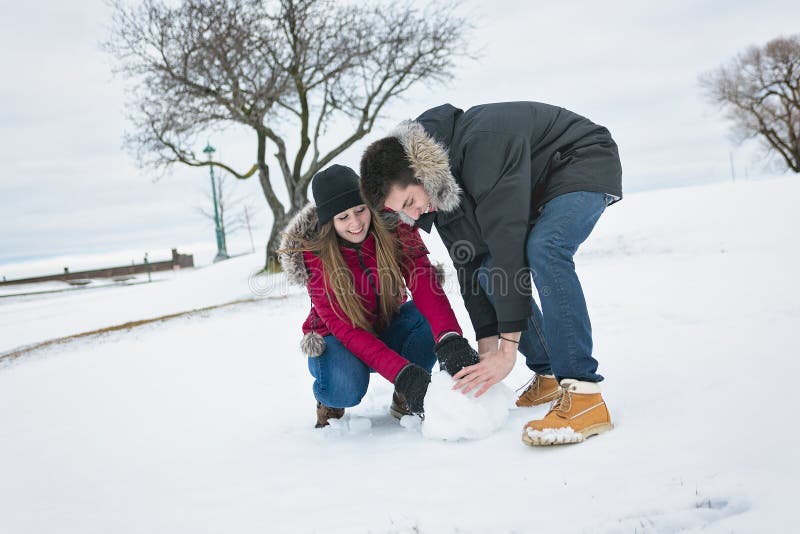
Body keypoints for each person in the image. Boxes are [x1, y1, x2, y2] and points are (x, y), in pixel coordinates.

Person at [359, 102, 622, 446]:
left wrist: (507, 351)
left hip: (580, 159)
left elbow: (507, 246)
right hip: (540, 184)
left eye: (410, 201)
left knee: (545, 249)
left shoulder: (482, 146)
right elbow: (470, 267)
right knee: (485, 272)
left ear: (421, 171)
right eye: (403, 211)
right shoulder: (440, 195)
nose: (415, 213)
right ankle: (547, 373)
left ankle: (584, 393)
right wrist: (487, 354)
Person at [278, 164, 478, 428]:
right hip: (340, 339)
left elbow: (421, 276)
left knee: (428, 317)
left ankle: (406, 394)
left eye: (360, 210)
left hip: (387, 321)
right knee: (345, 386)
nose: (355, 223)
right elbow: (347, 330)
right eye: (343, 217)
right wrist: (402, 373)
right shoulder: (315, 257)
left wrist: (450, 338)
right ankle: (331, 400)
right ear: (330, 222)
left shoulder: (393, 223)